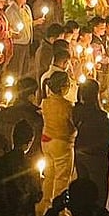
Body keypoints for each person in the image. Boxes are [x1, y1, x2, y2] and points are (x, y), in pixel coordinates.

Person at [72, 78, 109, 209]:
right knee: (99, 189)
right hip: (97, 156)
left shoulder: (77, 110)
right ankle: (97, 215)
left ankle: (82, 211)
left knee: (83, 184)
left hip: (80, 153)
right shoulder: (101, 115)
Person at [40, 70, 77, 207]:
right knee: (61, 179)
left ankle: (45, 204)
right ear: (63, 87)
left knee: (49, 176)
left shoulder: (45, 102)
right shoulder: (67, 106)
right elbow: (72, 123)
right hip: (61, 143)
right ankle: (59, 210)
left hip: (46, 140)